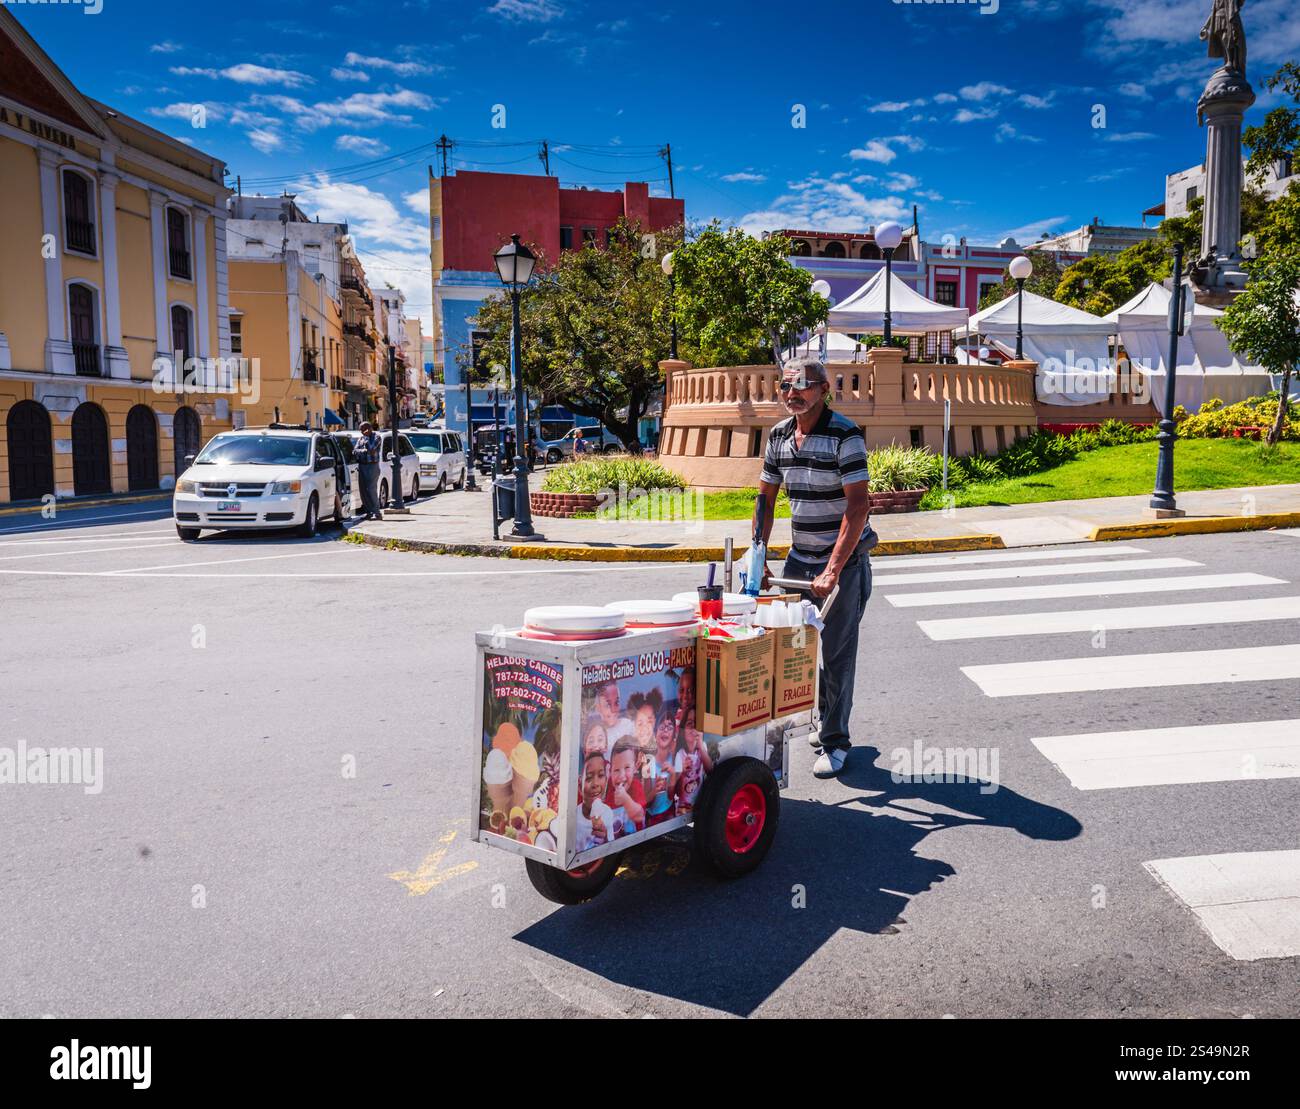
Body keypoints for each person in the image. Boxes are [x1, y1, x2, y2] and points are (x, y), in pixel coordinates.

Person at [755, 356, 876, 779]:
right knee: (798, 652)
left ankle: (836, 741)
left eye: (803, 386)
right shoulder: (778, 435)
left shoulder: (845, 435)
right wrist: (758, 556)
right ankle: (823, 717)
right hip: (799, 559)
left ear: (825, 389)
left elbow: (859, 506)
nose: (793, 394)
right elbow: (766, 500)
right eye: (787, 386)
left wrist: (833, 570)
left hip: (843, 563)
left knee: (837, 655)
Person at [354, 421, 384, 521]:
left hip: (372, 466)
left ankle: (377, 512)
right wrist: (363, 451)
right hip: (362, 465)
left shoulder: (376, 437)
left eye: (363, 429)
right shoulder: (361, 438)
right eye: (360, 430)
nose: (361, 432)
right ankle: (368, 512)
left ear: (369, 428)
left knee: (371, 490)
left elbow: (371, 449)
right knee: (363, 491)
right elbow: (355, 451)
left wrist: (364, 448)